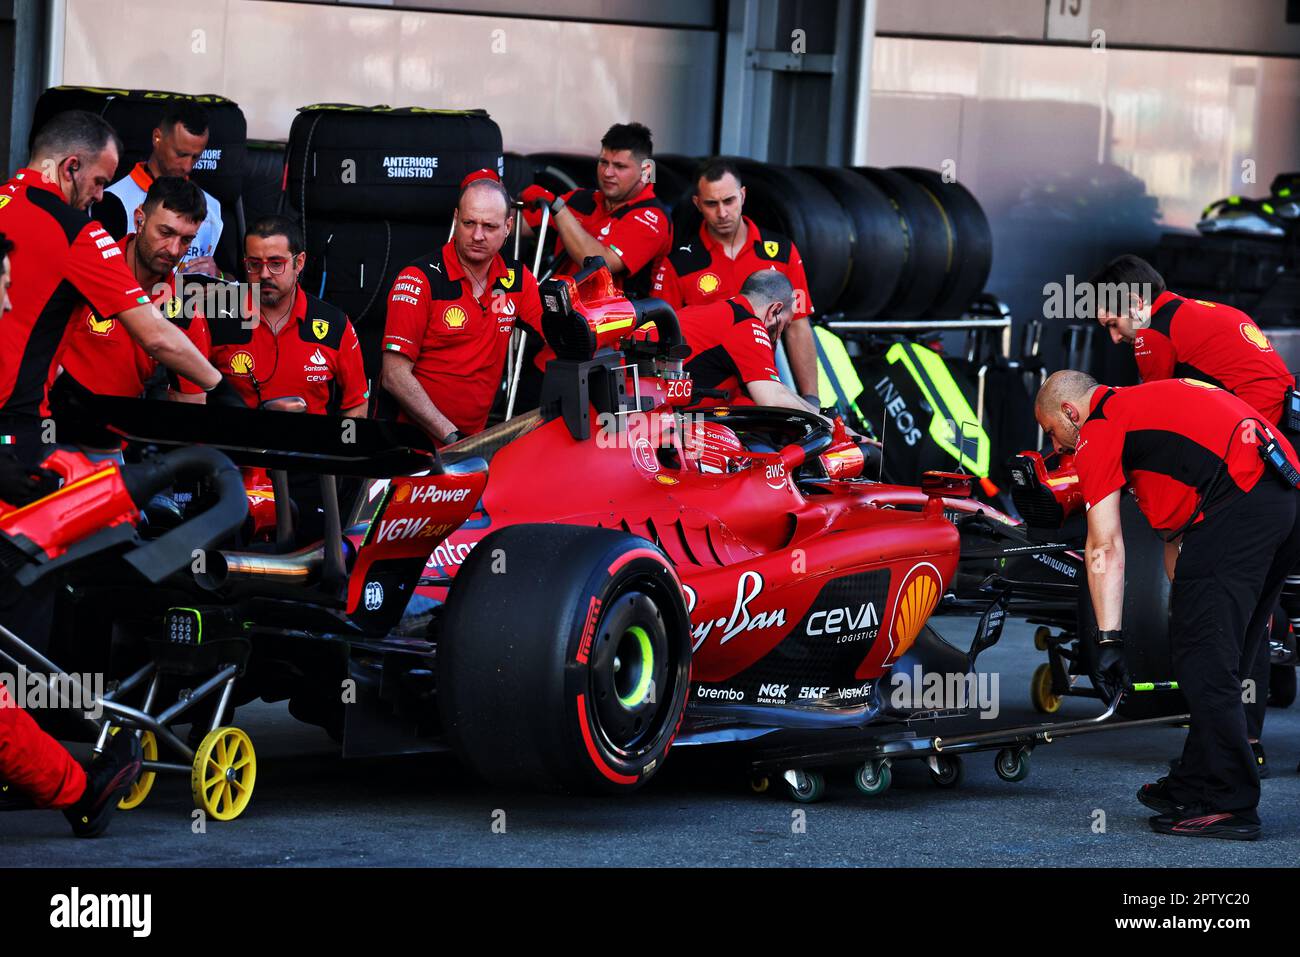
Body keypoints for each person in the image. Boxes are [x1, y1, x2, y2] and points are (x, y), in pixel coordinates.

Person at [1035, 370, 1300, 840]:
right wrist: (1195, 607)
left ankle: (1231, 804)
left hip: (1240, 501)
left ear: (1072, 413)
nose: (1060, 450)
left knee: (1204, 659)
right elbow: (1176, 535)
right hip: (1282, 494)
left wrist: (1108, 639)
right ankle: (1196, 780)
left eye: (1055, 434)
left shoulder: (1099, 430)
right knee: (1218, 652)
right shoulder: (1151, 404)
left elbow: (1104, 548)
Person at [1092, 253, 1296, 775]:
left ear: (1135, 304)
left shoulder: (1154, 335)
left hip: (1266, 452)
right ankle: (1243, 733)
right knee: (1257, 604)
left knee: (1225, 609)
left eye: (1113, 323)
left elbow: (1150, 418)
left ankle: (1235, 739)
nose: (1115, 339)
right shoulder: (1205, 313)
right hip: (1284, 445)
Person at [0, 110, 236, 472]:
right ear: (70, 167)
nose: (99, 196)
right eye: (98, 182)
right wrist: (226, 394)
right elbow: (155, 335)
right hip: (17, 423)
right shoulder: (77, 232)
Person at [382, 177, 543, 445]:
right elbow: (394, 376)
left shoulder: (518, 279)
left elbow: (560, 335)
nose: (477, 235)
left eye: (490, 226)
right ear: (456, 219)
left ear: (508, 227)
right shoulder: (418, 280)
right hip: (409, 445)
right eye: (469, 223)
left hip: (470, 444)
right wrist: (451, 436)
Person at [651, 158, 820, 403]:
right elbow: (662, 338)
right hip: (703, 400)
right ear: (697, 204)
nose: (722, 213)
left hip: (762, 389)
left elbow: (798, 326)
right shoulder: (678, 264)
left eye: (728, 201)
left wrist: (812, 397)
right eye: (711, 204)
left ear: (742, 196)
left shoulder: (782, 253)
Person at [48, 176, 212, 419]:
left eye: (186, 239)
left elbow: (192, 403)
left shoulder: (185, 311)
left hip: (115, 441)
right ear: (139, 219)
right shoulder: (88, 267)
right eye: (165, 232)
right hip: (49, 420)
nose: (174, 249)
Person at [191, 215, 368, 417]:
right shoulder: (214, 317)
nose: (265, 274)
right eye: (254, 264)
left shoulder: (335, 324)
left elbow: (356, 404)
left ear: (299, 262)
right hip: (236, 446)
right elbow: (189, 395)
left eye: (276, 263)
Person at [520, 122, 671, 298]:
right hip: (558, 310)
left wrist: (557, 207)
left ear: (646, 171)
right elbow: (513, 226)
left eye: (619, 166)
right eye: (603, 162)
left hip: (616, 322)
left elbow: (600, 264)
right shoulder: (580, 198)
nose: (607, 172)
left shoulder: (652, 218)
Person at [94, 101, 225, 277]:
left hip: (189, 303)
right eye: (181, 154)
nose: (187, 166)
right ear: (157, 138)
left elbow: (237, 281)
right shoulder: (112, 200)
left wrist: (218, 275)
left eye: (195, 157)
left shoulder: (212, 208)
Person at [676, 270, 823, 417]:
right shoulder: (745, 324)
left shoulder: (715, 313)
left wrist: (817, 413)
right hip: (671, 423)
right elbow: (772, 399)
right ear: (774, 310)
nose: (777, 336)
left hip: (662, 414)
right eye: (783, 326)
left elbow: (776, 388)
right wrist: (830, 427)